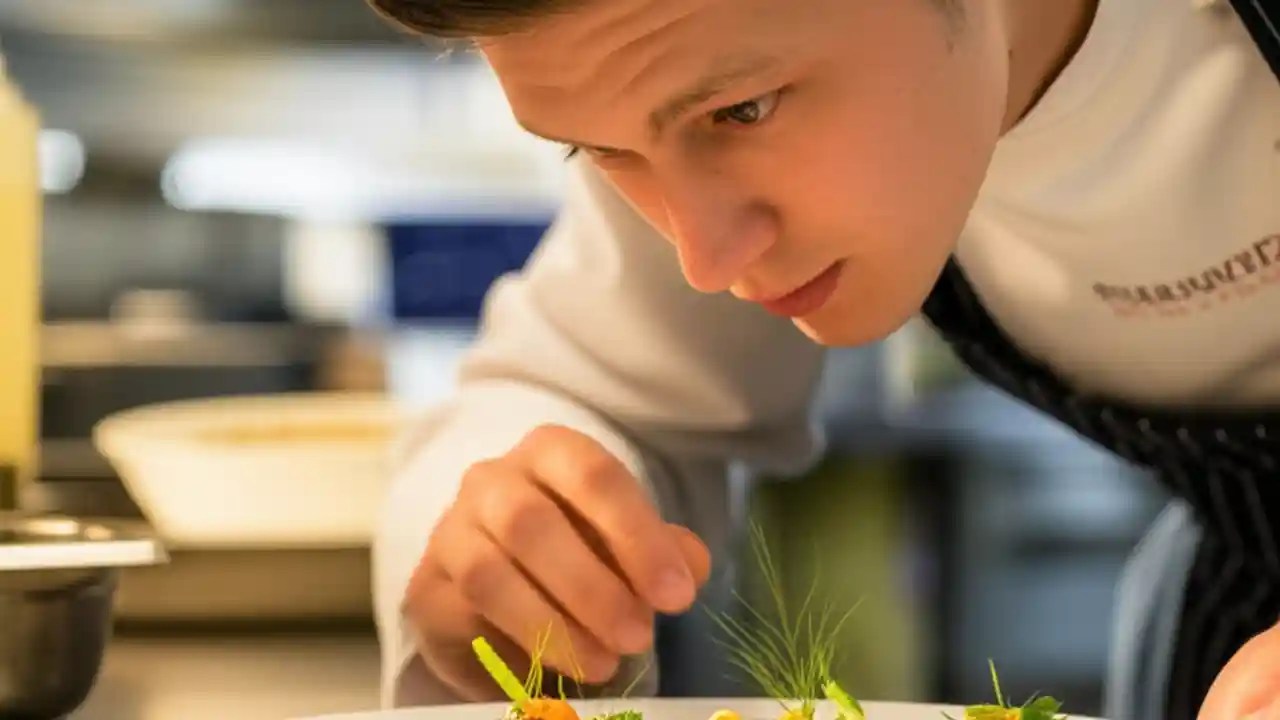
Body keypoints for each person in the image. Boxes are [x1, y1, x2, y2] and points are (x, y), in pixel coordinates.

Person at [361, 0, 1280, 718]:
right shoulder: (672, 82)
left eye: (745, 109)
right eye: (596, 148)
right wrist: (506, 545)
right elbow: (577, 388)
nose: (702, 256)